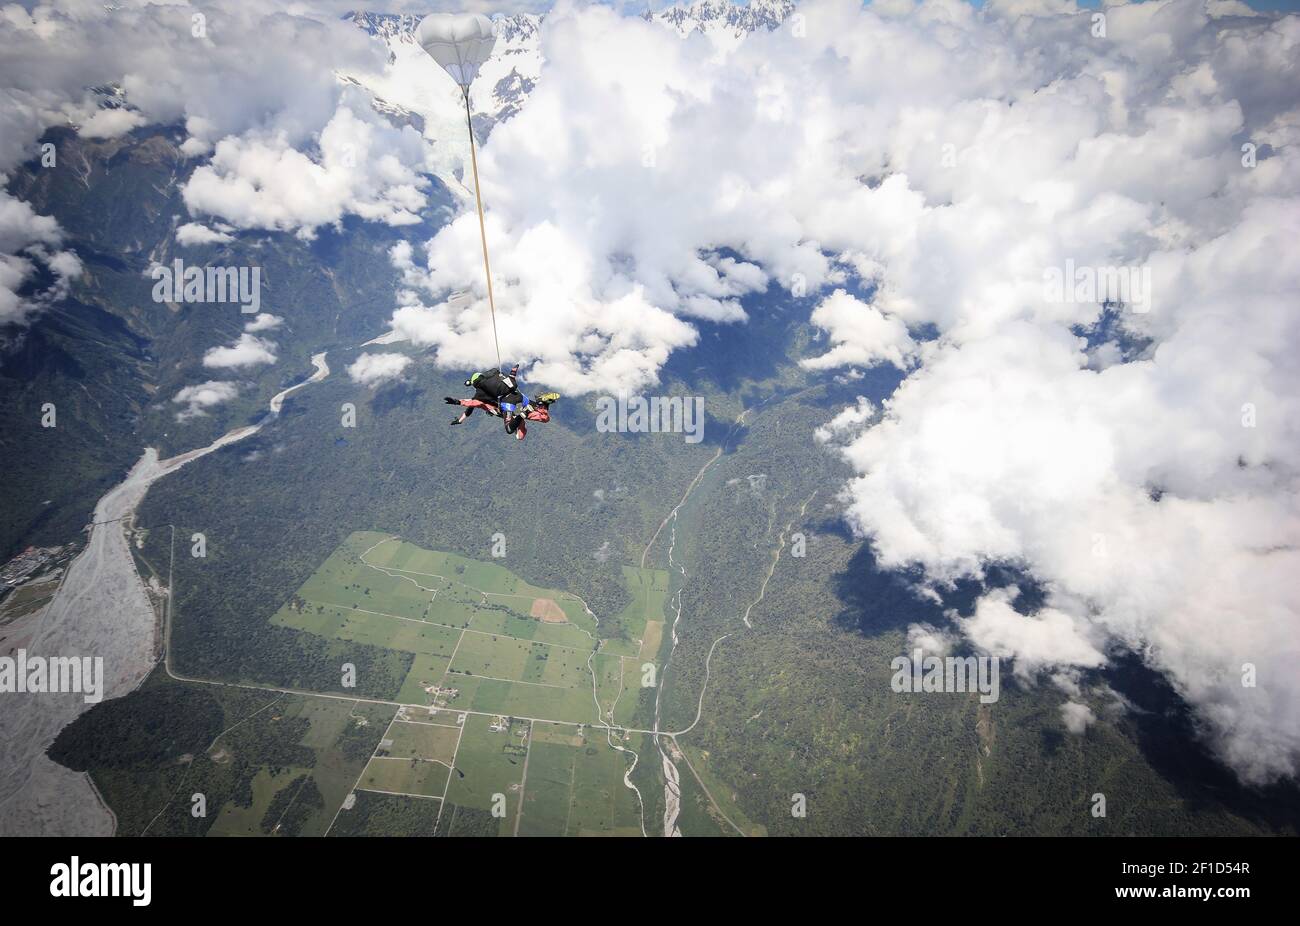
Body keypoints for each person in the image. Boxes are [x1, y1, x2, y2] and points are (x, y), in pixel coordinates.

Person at [444, 364, 559, 440]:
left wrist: (456, 402)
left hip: (508, 404)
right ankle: (542, 403)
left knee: (510, 429)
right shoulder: (490, 385)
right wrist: (460, 420)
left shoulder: (481, 397)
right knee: (545, 419)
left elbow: (471, 404)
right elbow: (470, 408)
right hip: (518, 395)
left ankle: (524, 413)